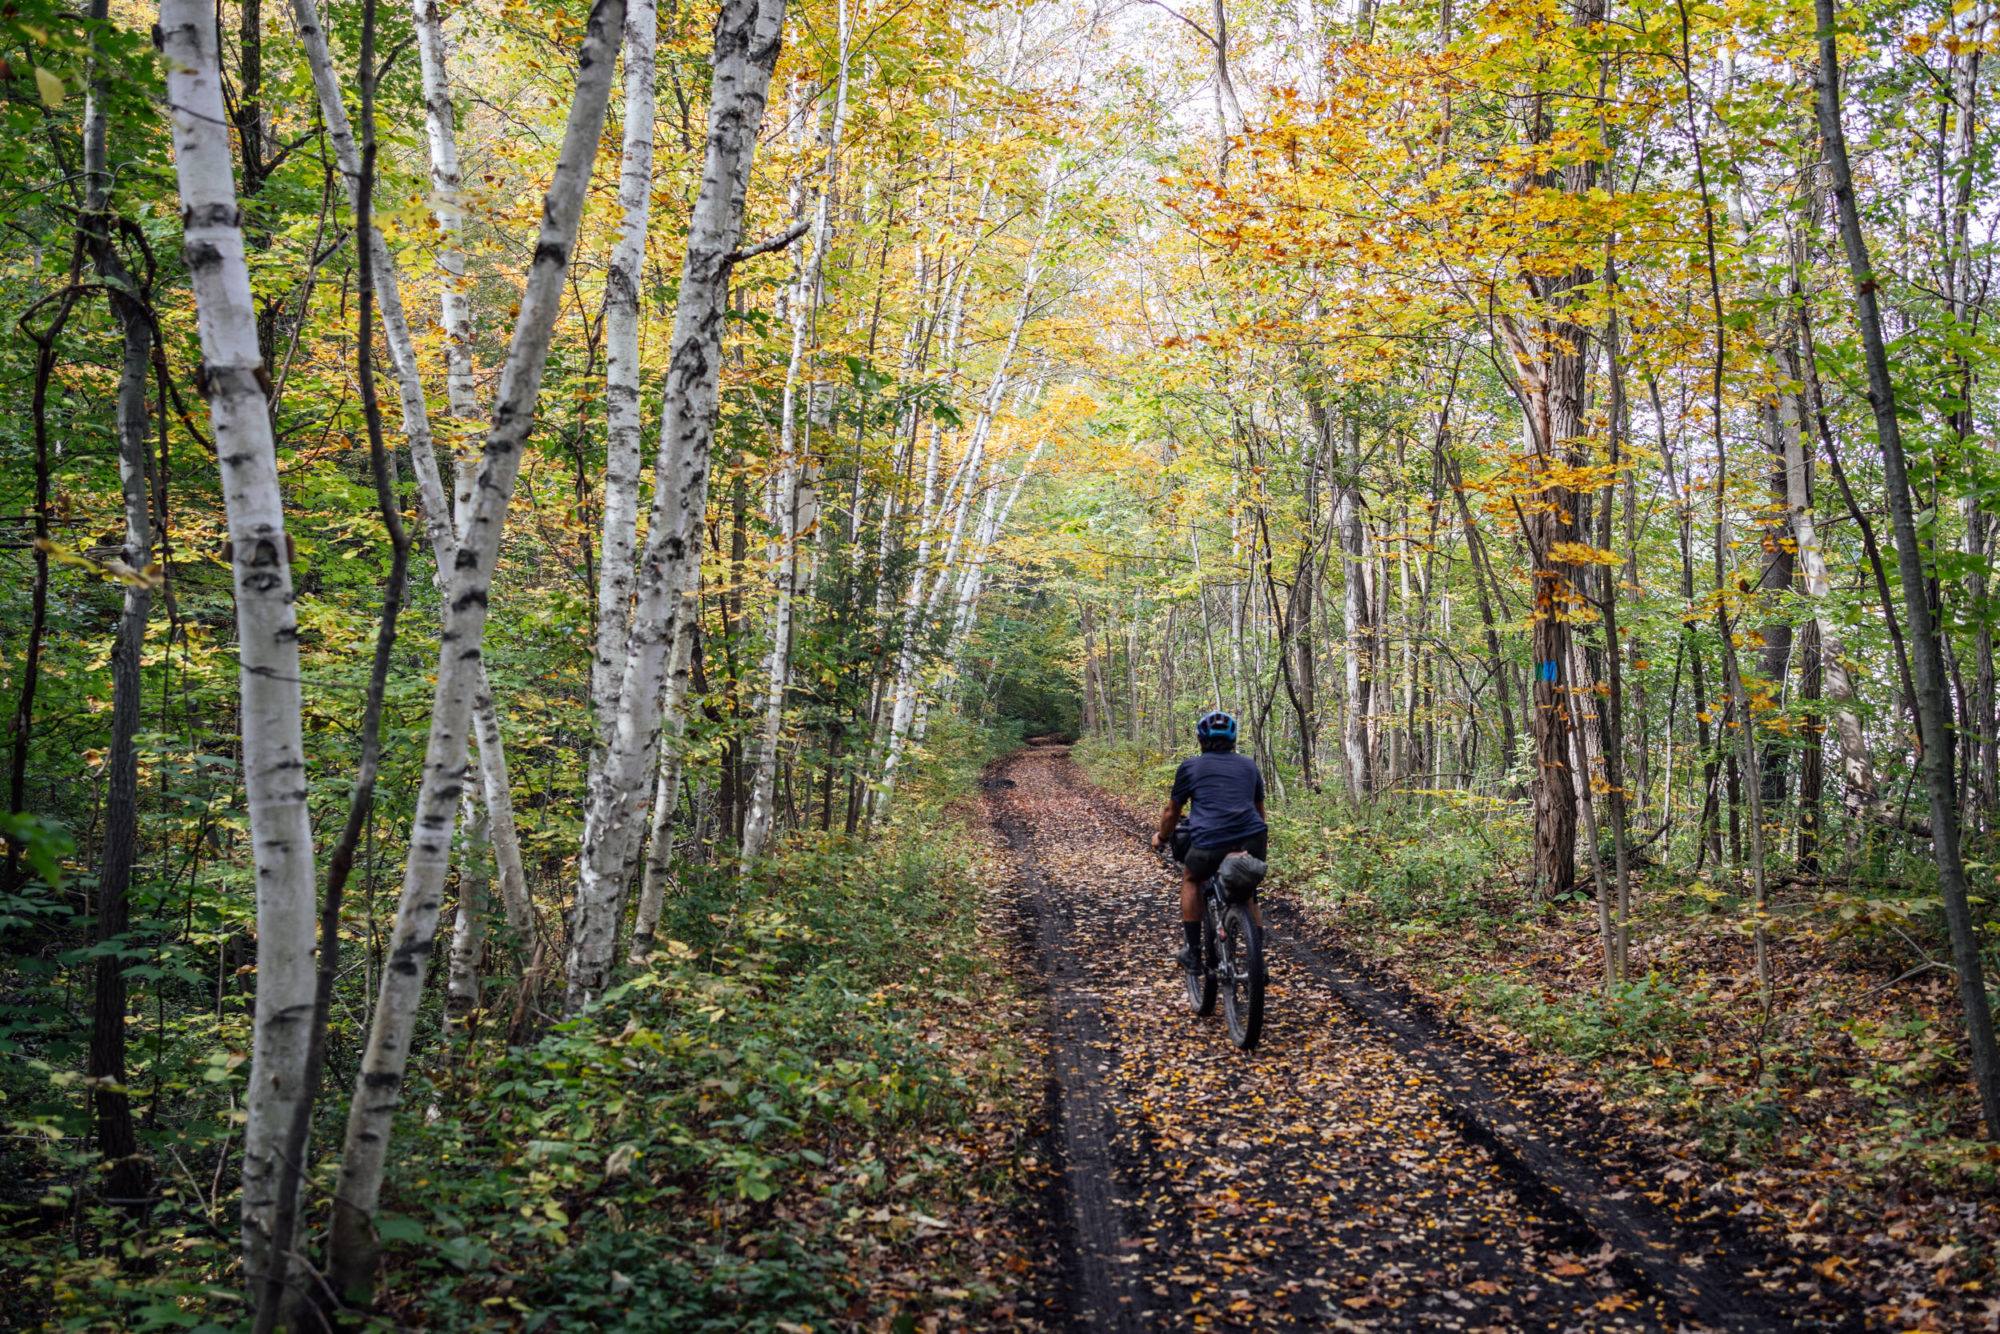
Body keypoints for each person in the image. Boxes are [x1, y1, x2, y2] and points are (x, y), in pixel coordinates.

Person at [1150, 711, 1267, 970]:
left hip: (1210, 840)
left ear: (1200, 739)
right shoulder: (1249, 766)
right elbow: (1259, 811)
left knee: (1192, 878)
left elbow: (1172, 811)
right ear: (1233, 739)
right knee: (1247, 893)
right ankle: (1257, 964)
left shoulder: (1190, 767)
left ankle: (1193, 952)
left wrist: (1161, 837)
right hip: (1252, 838)